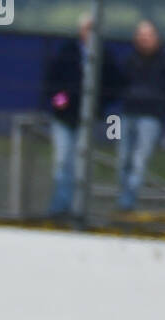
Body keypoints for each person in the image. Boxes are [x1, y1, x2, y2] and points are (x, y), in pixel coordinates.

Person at [42, 15, 120, 218]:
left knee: (80, 164)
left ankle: (77, 209)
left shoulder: (105, 57)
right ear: (81, 31)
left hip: (86, 120)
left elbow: (114, 86)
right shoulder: (67, 52)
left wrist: (98, 106)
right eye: (87, 29)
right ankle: (59, 207)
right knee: (62, 162)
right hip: (64, 118)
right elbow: (51, 82)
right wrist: (60, 103)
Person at [117, 20, 165, 212]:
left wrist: (162, 109)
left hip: (150, 118)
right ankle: (123, 198)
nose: (144, 39)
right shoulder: (130, 60)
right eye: (140, 35)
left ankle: (127, 204)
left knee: (139, 160)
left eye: (147, 35)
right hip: (126, 115)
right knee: (123, 159)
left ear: (156, 38)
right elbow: (118, 84)